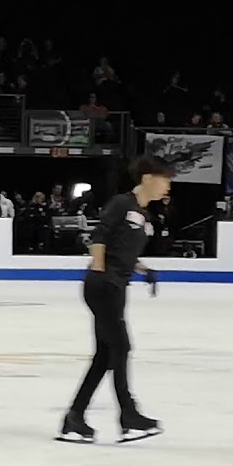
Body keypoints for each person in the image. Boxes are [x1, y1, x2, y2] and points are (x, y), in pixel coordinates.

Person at [58, 155, 173, 445]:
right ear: (147, 178)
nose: (168, 186)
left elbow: (123, 252)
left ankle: (75, 419)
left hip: (115, 286)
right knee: (121, 347)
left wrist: (143, 269)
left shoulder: (143, 215)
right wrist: (101, 272)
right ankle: (129, 416)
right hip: (103, 286)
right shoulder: (122, 203)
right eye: (165, 179)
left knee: (106, 356)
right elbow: (99, 238)